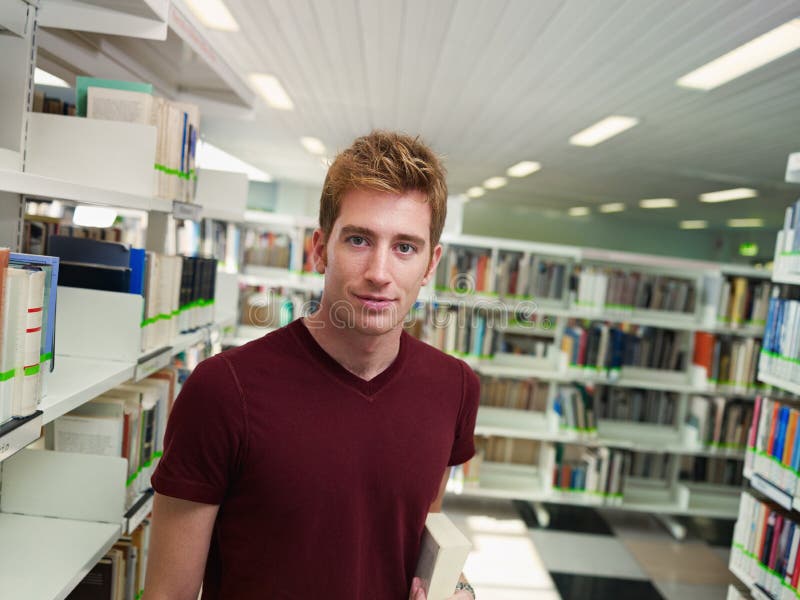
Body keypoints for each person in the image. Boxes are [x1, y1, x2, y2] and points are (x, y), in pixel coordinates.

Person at [144, 130, 480, 600]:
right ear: (320, 249)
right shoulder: (224, 390)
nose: (380, 272)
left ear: (430, 264)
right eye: (359, 240)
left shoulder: (454, 387)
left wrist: (457, 590)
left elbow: (417, 538)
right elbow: (168, 595)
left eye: (405, 247)